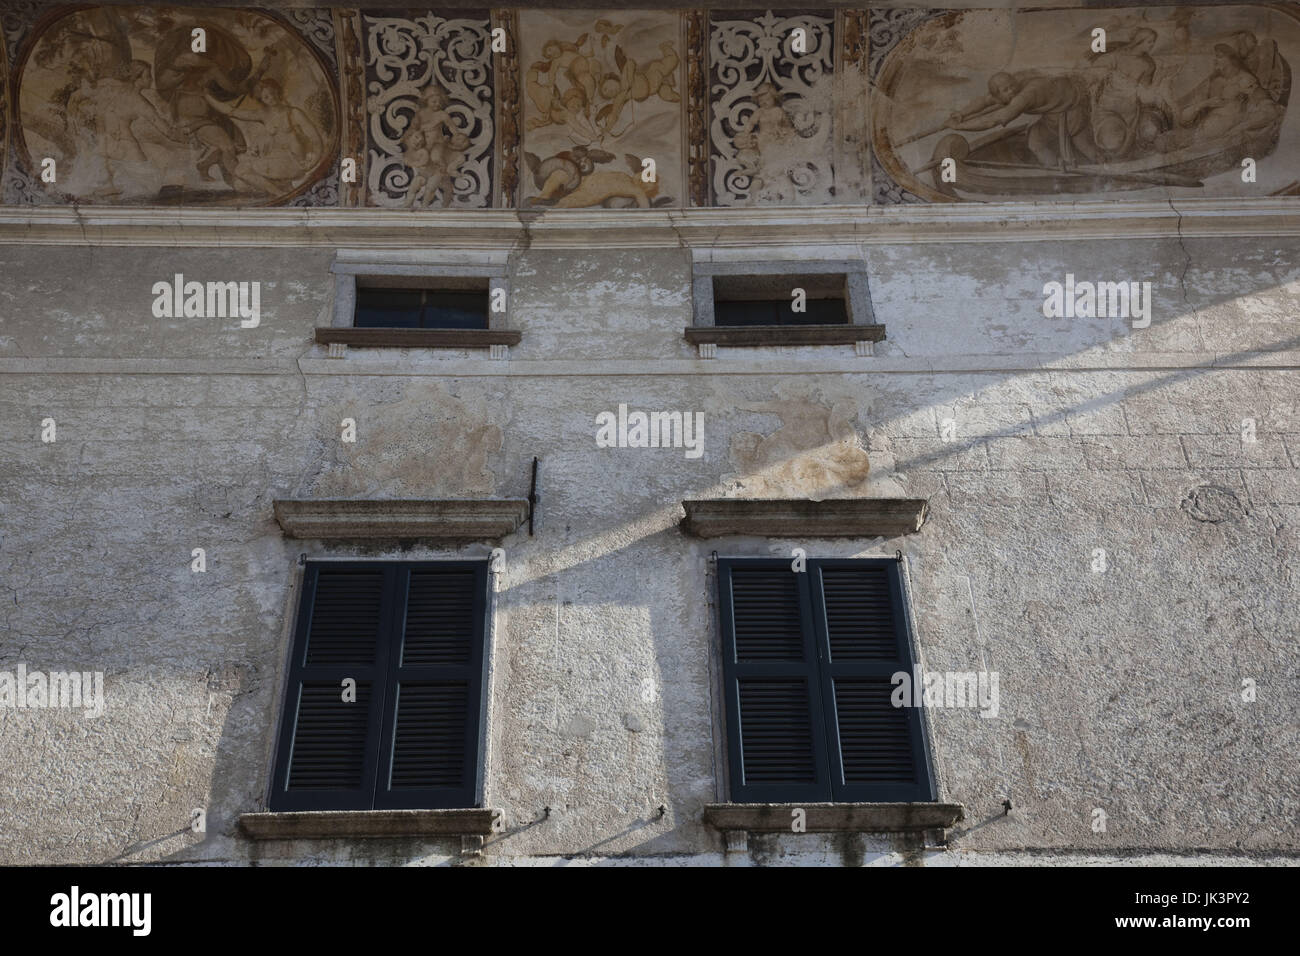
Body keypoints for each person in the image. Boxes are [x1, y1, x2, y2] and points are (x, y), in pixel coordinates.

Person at [947, 71, 1098, 168]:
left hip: (1071, 111)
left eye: (1011, 87)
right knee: (1036, 141)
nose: (1011, 90)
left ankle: (1103, 167)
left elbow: (994, 120)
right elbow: (985, 101)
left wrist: (959, 127)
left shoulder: (1024, 96)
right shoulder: (1011, 83)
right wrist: (962, 114)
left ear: (1014, 82)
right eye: (1006, 90)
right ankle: (1053, 170)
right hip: (1055, 113)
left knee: (1084, 146)